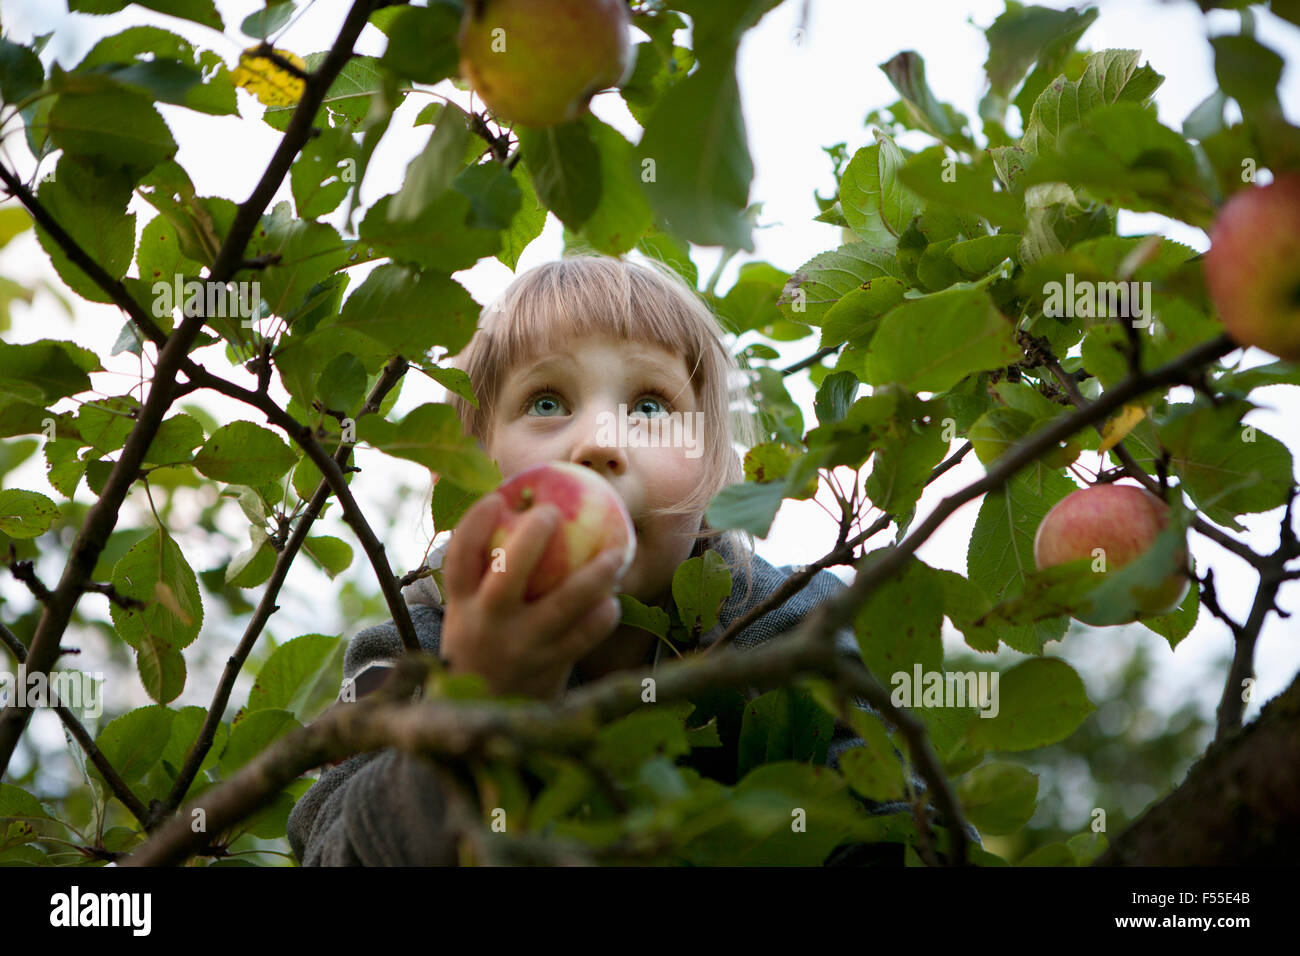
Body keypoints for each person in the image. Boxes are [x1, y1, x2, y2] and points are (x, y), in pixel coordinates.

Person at [286, 254, 975, 865]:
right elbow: (329, 846)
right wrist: (474, 711)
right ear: (462, 479)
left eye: (649, 404)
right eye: (546, 401)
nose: (600, 442)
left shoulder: (796, 628)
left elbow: (907, 830)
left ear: (716, 484)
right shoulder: (412, 645)